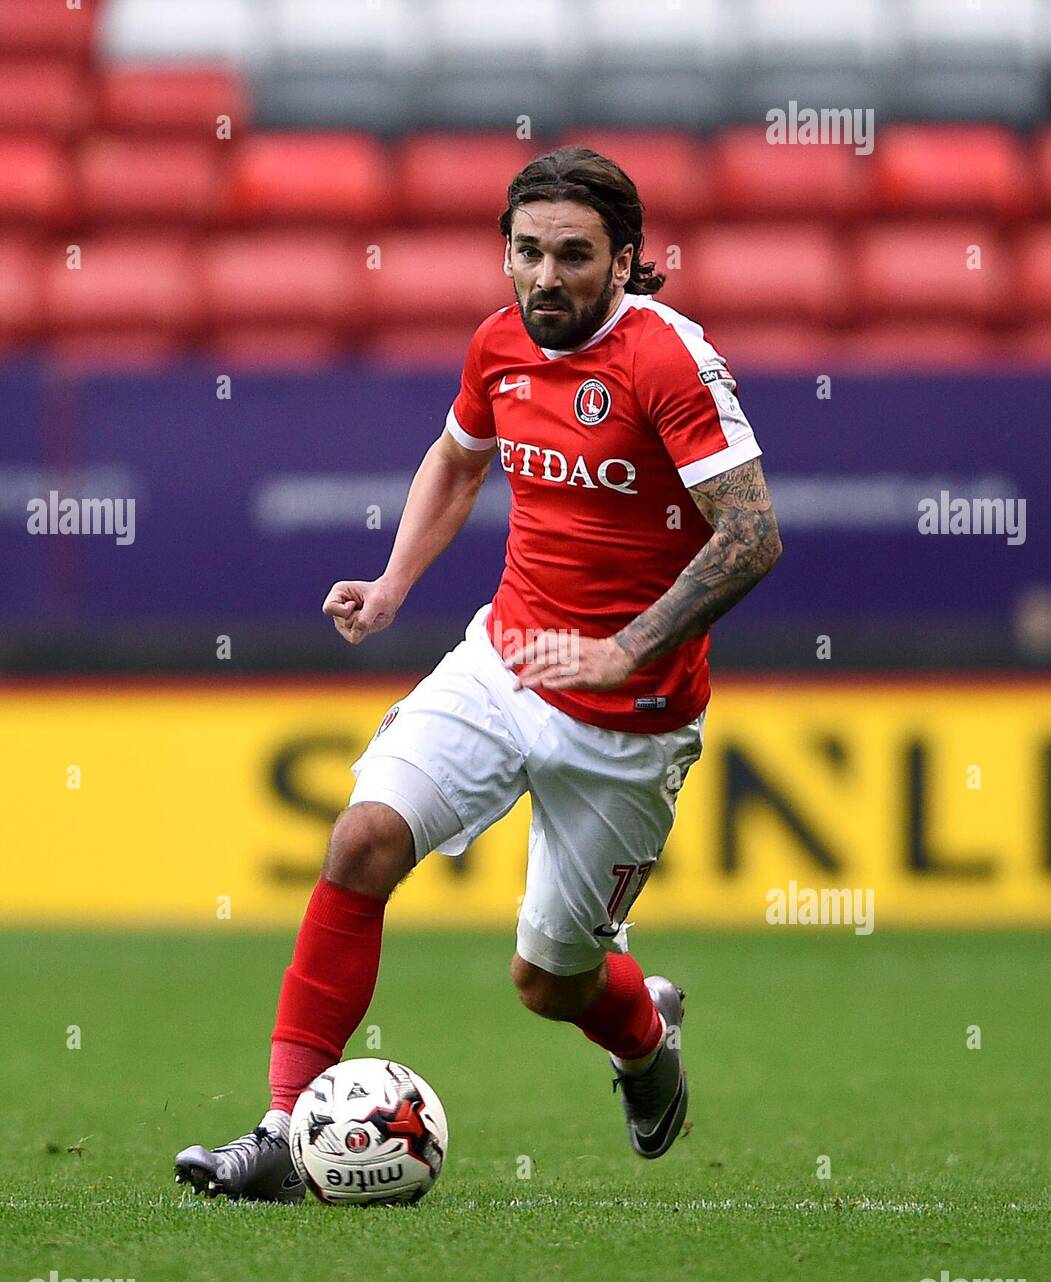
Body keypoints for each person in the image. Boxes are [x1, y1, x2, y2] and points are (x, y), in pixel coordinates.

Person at [175, 147, 781, 1202]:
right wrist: (395, 581)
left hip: (627, 721)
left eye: (574, 256)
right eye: (527, 251)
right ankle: (281, 1130)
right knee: (362, 838)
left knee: (550, 982)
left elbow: (753, 534)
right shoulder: (500, 343)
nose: (545, 276)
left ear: (626, 259)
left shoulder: (669, 361)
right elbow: (459, 459)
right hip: (500, 662)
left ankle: (645, 1033)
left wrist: (626, 645)